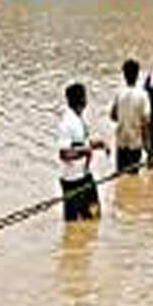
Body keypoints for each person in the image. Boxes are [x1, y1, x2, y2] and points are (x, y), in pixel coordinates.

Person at [56, 83, 107, 221]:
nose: (86, 100)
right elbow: (64, 154)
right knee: (73, 220)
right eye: (85, 97)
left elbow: (81, 143)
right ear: (82, 100)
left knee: (93, 215)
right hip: (72, 180)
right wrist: (85, 152)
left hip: (84, 176)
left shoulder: (79, 119)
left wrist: (98, 144)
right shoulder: (67, 123)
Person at [109, 60, 150, 174]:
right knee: (133, 174)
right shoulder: (143, 95)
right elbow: (146, 121)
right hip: (135, 142)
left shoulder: (119, 93)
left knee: (120, 174)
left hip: (121, 141)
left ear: (124, 75)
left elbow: (112, 116)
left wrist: (123, 118)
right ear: (137, 75)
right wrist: (147, 144)